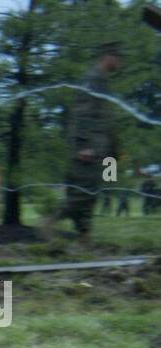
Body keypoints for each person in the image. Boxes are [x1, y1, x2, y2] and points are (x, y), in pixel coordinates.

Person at [57, 41, 123, 240]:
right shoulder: (93, 79)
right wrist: (84, 146)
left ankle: (84, 237)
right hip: (88, 150)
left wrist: (113, 152)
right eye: (118, 57)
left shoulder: (101, 80)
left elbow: (105, 121)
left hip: (99, 150)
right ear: (108, 57)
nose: (120, 62)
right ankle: (51, 222)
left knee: (91, 192)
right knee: (82, 193)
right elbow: (82, 114)